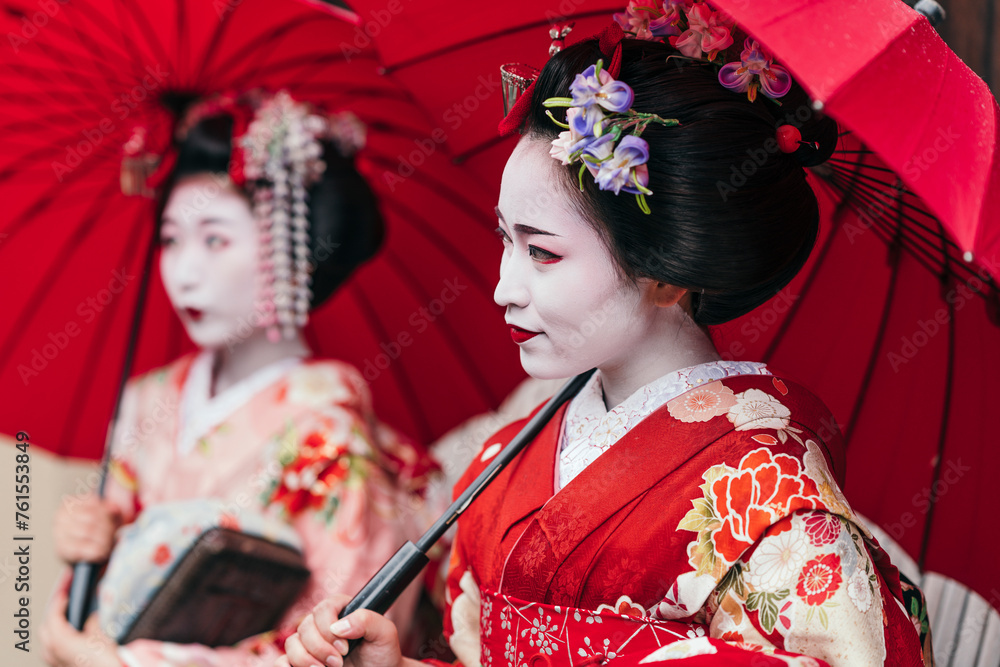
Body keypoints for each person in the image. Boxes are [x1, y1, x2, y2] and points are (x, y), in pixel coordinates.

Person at [280, 11, 933, 667]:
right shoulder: (505, 460)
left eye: (544, 254)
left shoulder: (770, 492)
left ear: (667, 269)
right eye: (506, 239)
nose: (505, 286)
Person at [39, 91, 436, 667]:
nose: (183, 270)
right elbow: (87, 614)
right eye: (171, 238)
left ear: (288, 251)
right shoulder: (149, 397)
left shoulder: (328, 427)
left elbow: (339, 643)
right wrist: (89, 555)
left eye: (215, 239)